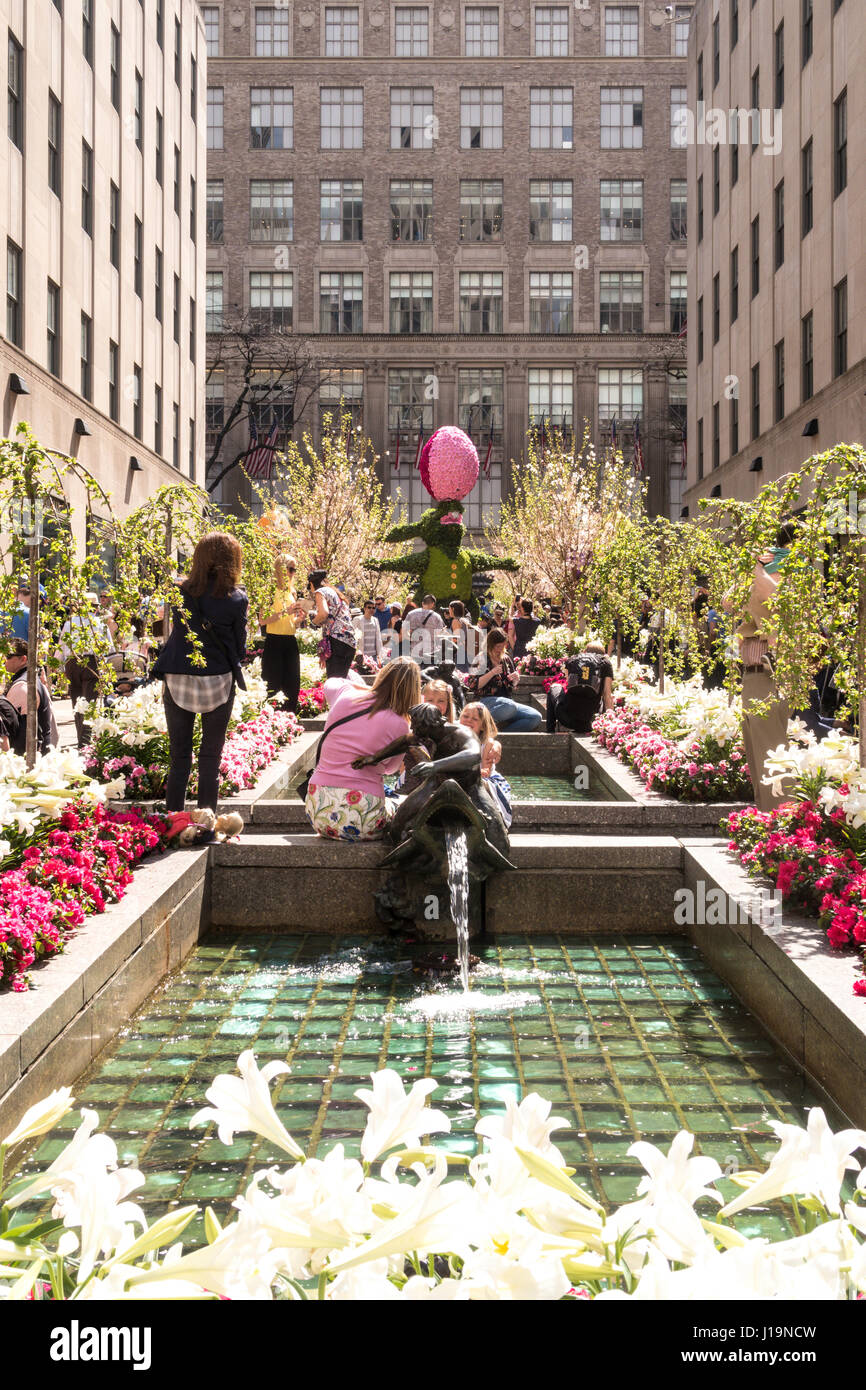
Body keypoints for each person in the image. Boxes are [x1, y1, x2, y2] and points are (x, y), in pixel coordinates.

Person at [152, 532, 248, 812]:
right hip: (218, 679)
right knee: (210, 757)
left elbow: (166, 630)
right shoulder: (236, 599)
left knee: (179, 756)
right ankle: (206, 821)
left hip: (178, 675)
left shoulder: (180, 591)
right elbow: (240, 648)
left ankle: (173, 820)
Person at [304, 656, 421, 840]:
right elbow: (391, 770)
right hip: (362, 820)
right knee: (400, 805)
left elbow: (331, 682)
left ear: (382, 676)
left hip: (317, 811)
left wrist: (370, 689)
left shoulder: (344, 695)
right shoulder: (400, 724)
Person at [466, 627, 542, 732]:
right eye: (498, 646)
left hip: (506, 703)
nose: (501, 649)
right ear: (490, 645)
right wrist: (492, 673)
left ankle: (500, 735)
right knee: (510, 706)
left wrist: (515, 680)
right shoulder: (480, 658)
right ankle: (480, 722)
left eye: (503, 646)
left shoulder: (506, 658)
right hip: (486, 701)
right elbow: (473, 685)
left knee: (535, 717)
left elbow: (511, 685)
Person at [59, 593, 111, 748]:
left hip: (72, 662)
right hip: (91, 662)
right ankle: (85, 739)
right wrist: (106, 665)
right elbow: (109, 647)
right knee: (90, 701)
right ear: (94, 608)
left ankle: (81, 736)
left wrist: (61, 665)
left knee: (77, 700)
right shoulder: (100, 623)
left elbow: (62, 645)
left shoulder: (69, 623)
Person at [259, 553, 302, 711]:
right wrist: (286, 612)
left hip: (290, 641)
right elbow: (262, 620)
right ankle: (272, 719)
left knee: (293, 683)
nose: (292, 573)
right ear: (280, 568)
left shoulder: (292, 592)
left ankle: (289, 720)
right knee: (273, 682)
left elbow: (290, 623)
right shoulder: (269, 590)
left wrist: (298, 619)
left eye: (294, 570)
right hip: (274, 641)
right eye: (290, 569)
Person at [459, 700, 512, 826]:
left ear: (483, 725)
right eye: (465, 716)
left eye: (474, 719)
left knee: (479, 784)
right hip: (464, 777)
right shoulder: (456, 738)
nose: (468, 720)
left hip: (484, 779)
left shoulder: (486, 744)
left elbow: (485, 772)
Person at [546, 642, 614, 734]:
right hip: (591, 721)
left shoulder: (573, 659)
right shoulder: (605, 663)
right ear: (603, 654)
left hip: (567, 719)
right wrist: (612, 725)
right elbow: (607, 695)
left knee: (554, 687)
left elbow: (568, 686)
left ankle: (550, 731)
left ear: (584, 651)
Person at [3, 639, 53, 756]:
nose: (4, 660)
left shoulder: (22, 686)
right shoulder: (29, 679)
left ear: (23, 659)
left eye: (9, 656)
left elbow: (21, 731)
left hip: (30, 758)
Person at [306, 569, 357, 678]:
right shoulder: (336, 594)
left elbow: (324, 613)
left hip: (337, 643)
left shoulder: (320, 592)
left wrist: (313, 622)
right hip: (349, 642)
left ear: (312, 584)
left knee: (334, 684)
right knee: (341, 682)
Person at [405, 594, 446, 666]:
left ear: (422, 603)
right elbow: (439, 635)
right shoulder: (437, 617)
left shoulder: (411, 614)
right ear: (433, 604)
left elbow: (404, 632)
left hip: (415, 651)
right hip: (431, 653)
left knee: (416, 675)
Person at [353, 600, 386, 664]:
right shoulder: (358, 619)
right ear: (365, 608)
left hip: (373, 655)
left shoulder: (375, 620)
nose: (371, 609)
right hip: (361, 654)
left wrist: (380, 654)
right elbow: (352, 636)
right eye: (369, 607)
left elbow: (378, 638)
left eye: (373, 608)